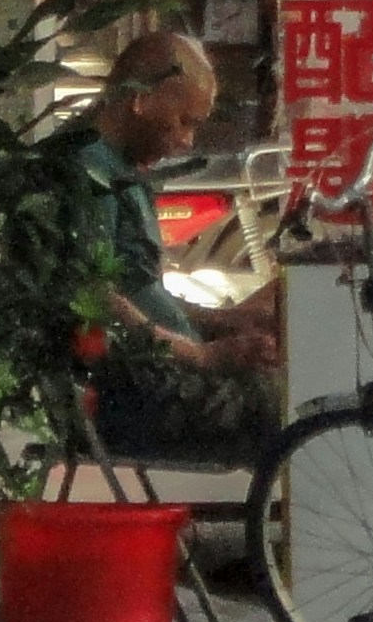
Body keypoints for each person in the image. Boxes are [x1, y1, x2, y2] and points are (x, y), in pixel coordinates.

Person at [78, 29, 281, 466]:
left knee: (295, 380)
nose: (187, 141)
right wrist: (202, 355)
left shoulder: (124, 168)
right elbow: (96, 296)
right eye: (185, 121)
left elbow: (141, 288)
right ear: (143, 99)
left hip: (164, 372)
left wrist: (224, 321)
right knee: (288, 406)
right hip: (130, 391)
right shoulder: (87, 169)